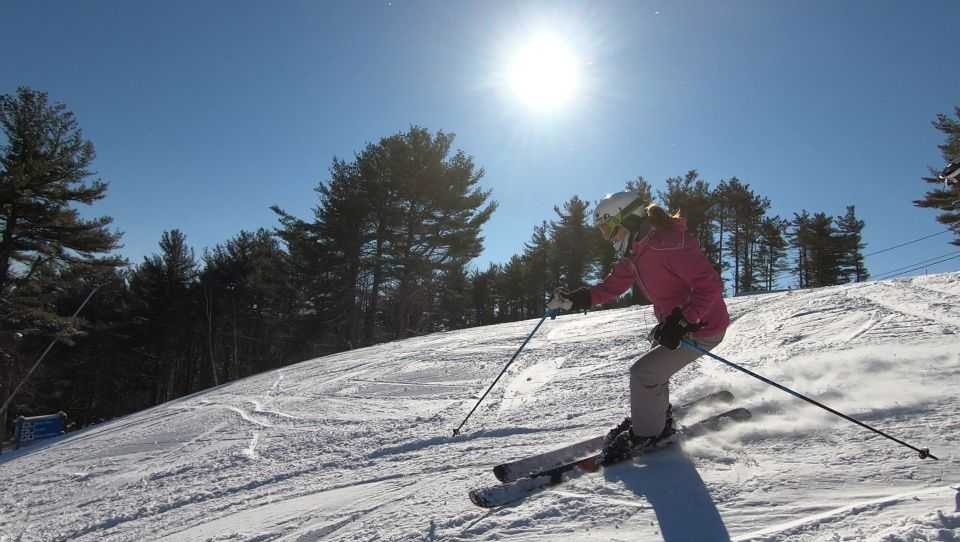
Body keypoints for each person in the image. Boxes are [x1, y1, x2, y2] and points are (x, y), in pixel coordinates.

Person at [547, 190, 730, 465]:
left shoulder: (669, 244)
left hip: (702, 327)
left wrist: (684, 320)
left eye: (609, 229)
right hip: (677, 327)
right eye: (603, 231)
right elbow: (611, 287)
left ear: (629, 220)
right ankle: (656, 417)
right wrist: (574, 300)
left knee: (644, 373)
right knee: (653, 371)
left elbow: (710, 285)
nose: (608, 237)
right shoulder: (636, 253)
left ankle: (648, 435)